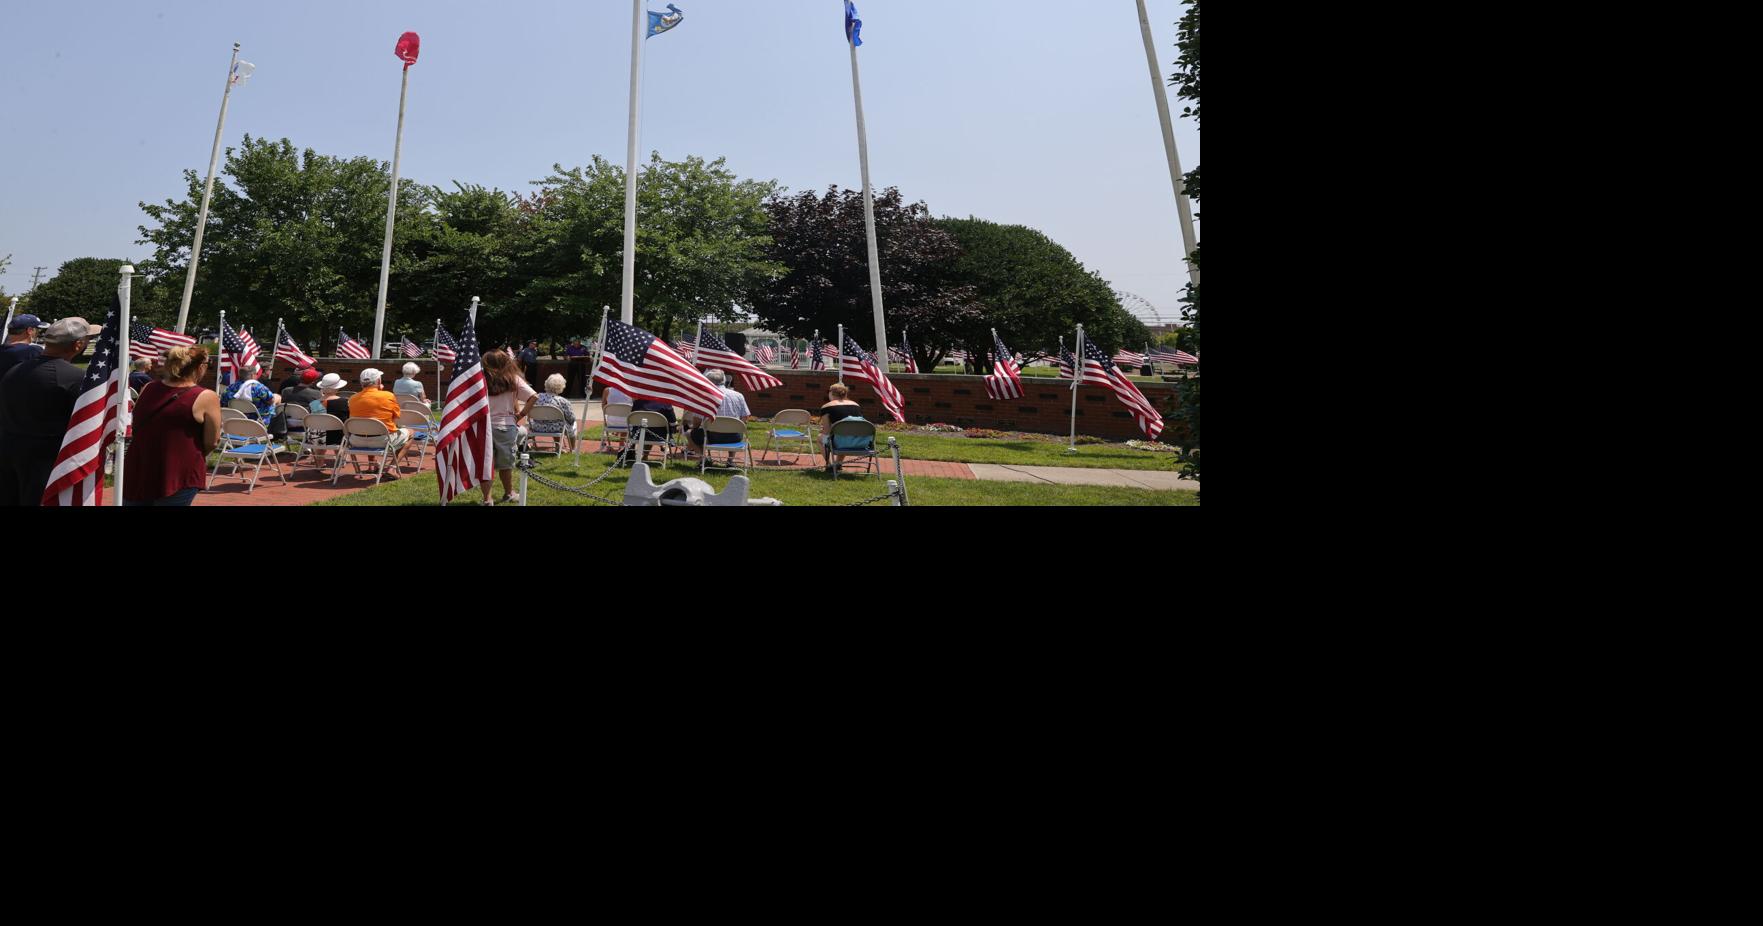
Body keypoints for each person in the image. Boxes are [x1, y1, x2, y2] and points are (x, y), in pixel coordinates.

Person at [0, 317, 101, 506]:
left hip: (9, 454)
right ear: (78, 345)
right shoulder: (75, 378)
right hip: (46, 463)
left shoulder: (15, 371)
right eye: (87, 339)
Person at [124, 346, 222, 507]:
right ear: (200, 367)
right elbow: (212, 441)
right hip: (178, 470)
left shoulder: (148, 388)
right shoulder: (206, 396)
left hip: (140, 464)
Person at [481, 350, 538, 506]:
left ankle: (487, 499)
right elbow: (534, 396)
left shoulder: (479, 379)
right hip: (506, 427)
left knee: (486, 465)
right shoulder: (513, 379)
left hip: (483, 427)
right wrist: (521, 414)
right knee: (506, 465)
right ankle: (508, 493)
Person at [686, 369, 754, 460]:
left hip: (711, 437)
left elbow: (697, 422)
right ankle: (730, 460)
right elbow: (745, 417)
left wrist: (695, 428)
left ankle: (703, 459)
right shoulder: (738, 395)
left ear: (708, 382)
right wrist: (737, 427)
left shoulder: (704, 397)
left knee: (689, 433)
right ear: (724, 380)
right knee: (733, 429)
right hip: (735, 437)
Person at [348, 369, 411, 465]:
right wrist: (380, 392)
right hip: (383, 440)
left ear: (361, 382)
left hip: (356, 440)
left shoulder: (352, 399)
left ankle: (371, 465)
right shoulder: (388, 396)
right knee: (411, 433)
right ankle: (392, 467)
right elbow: (396, 416)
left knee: (368, 427)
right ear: (378, 381)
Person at [815, 383, 866, 472]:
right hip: (860, 442)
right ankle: (838, 463)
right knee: (844, 433)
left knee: (820, 438)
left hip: (841, 443)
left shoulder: (826, 407)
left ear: (831, 393)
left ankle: (830, 465)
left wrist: (823, 431)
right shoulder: (856, 405)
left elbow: (827, 431)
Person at [530, 374, 578, 452]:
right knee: (573, 423)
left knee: (556, 420)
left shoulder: (536, 397)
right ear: (561, 387)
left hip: (537, 427)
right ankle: (573, 449)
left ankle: (557, 446)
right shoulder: (563, 401)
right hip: (557, 428)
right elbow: (571, 418)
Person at [0, 313, 50, 381]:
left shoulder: (3, 349)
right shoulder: (33, 351)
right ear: (30, 330)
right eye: (37, 330)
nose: (38, 333)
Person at [309, 373, 353, 446]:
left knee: (319, 429)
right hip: (338, 438)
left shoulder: (312, 404)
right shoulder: (345, 402)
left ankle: (318, 453)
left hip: (316, 438)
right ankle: (338, 453)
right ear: (337, 388)